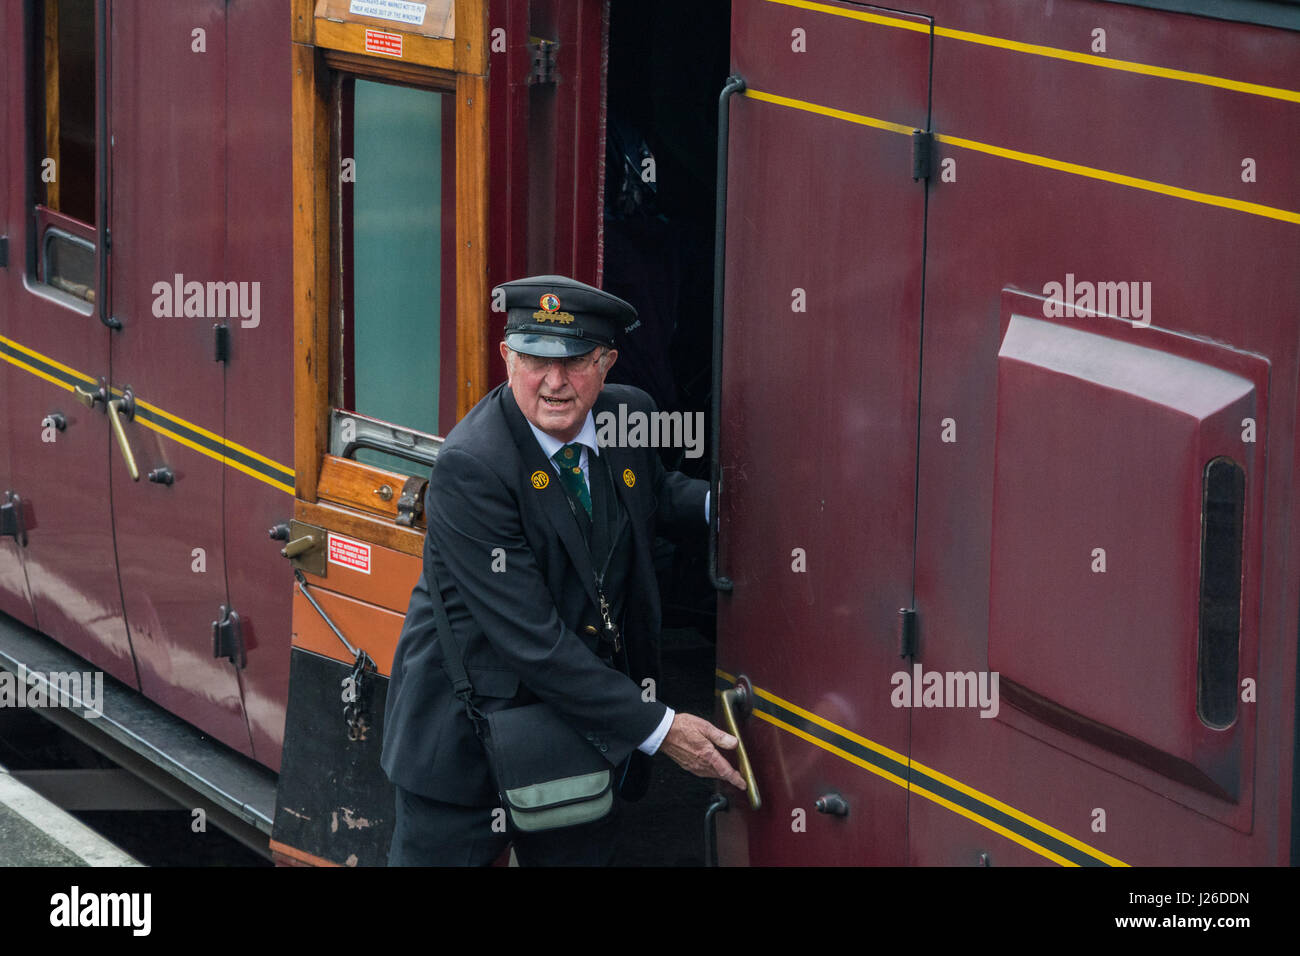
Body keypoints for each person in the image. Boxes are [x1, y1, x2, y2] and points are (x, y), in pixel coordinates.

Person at [381, 274, 745, 866]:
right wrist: (659, 727)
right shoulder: (472, 467)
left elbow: (655, 494)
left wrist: (732, 509)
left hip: (578, 730)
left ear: (606, 363)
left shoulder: (631, 415)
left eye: (574, 361)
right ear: (505, 357)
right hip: (463, 747)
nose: (553, 382)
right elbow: (532, 641)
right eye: (533, 359)